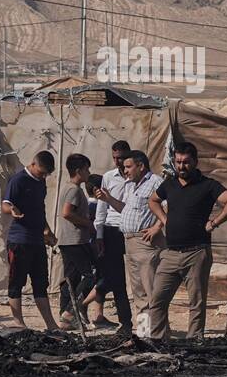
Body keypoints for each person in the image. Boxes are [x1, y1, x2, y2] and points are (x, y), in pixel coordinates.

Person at [146, 143, 227, 339]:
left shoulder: (208, 185)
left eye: (186, 162)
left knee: (196, 302)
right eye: (178, 162)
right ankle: (157, 339)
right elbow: (153, 200)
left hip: (197, 252)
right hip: (170, 253)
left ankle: (194, 342)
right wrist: (164, 220)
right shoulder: (169, 184)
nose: (182, 166)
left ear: (195, 162)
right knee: (157, 299)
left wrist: (214, 223)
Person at [97, 150, 168, 337]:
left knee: (152, 290)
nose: (125, 171)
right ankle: (145, 332)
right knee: (139, 293)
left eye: (128, 167)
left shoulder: (156, 183)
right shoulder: (132, 186)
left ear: (141, 166)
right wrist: (108, 199)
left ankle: (159, 333)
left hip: (146, 243)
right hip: (130, 242)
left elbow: (168, 207)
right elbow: (125, 209)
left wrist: (157, 227)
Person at [2, 151, 59, 331]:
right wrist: (11, 210)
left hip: (37, 241)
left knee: (41, 282)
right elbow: (5, 203)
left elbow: (39, 209)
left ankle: (50, 323)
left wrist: (47, 230)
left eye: (46, 174)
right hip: (19, 240)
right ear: (33, 164)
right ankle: (19, 322)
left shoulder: (41, 183)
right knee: (16, 281)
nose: (43, 176)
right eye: (41, 172)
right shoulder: (18, 180)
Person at [88, 140, 134, 330]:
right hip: (111, 229)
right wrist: (99, 234)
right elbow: (102, 207)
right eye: (114, 158)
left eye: (121, 158)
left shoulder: (137, 176)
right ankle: (126, 322)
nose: (117, 162)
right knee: (116, 279)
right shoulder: (108, 177)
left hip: (132, 227)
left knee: (140, 277)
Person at [55, 154, 98, 330]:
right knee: (91, 275)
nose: (89, 173)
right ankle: (70, 311)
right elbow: (67, 213)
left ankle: (64, 317)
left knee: (71, 278)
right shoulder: (74, 190)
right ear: (79, 171)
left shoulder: (67, 188)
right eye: (87, 169)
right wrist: (89, 224)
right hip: (76, 240)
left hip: (67, 239)